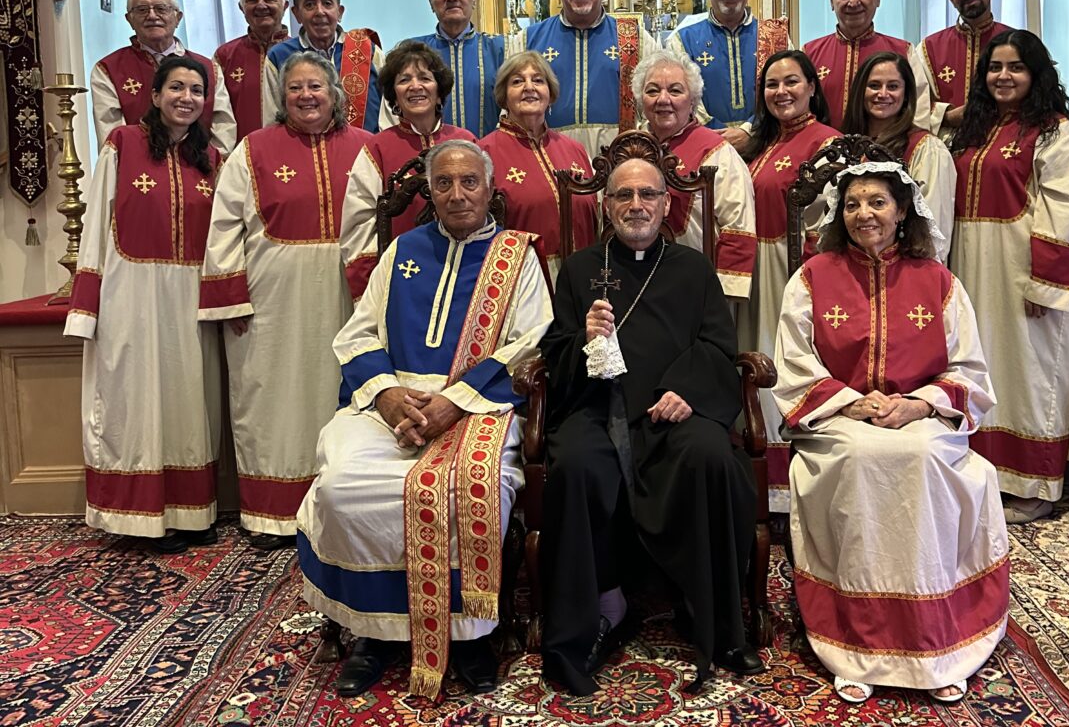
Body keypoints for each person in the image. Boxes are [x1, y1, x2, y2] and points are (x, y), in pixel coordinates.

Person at [297, 140, 552, 699]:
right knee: (342, 489)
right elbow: (358, 333)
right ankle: (373, 631)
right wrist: (389, 397)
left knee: (474, 487)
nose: (457, 194)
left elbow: (530, 344)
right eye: (444, 183)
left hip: (479, 406)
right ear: (429, 193)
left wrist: (454, 401)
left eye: (469, 182)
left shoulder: (517, 257)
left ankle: (469, 635)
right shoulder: (403, 250)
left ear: (490, 189)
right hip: (391, 402)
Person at [774, 152, 1007, 706]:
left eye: (877, 202)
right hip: (838, 422)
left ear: (902, 210)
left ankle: (939, 645)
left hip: (922, 420)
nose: (864, 214)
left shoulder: (939, 281)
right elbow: (795, 364)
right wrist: (851, 404)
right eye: (852, 204)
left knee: (922, 456)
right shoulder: (811, 279)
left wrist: (919, 405)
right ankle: (857, 645)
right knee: (861, 458)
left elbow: (969, 370)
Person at [540, 157, 763, 695]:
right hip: (599, 406)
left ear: (666, 204)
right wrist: (586, 340)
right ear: (606, 206)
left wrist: (688, 391)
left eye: (647, 195)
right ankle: (601, 609)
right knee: (576, 463)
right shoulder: (579, 270)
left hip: (674, 410)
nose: (636, 205)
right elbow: (554, 355)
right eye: (624, 195)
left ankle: (712, 614)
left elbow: (718, 345)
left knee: (710, 455)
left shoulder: (693, 268)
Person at [199, 52, 372, 549]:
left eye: (315, 86)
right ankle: (271, 515)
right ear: (282, 96)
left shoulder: (365, 147)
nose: (306, 96)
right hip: (270, 300)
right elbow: (224, 225)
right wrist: (229, 295)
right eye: (295, 88)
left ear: (334, 92)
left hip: (344, 294)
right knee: (268, 400)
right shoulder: (253, 149)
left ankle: (338, 510)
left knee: (341, 396)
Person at [66, 55, 224, 554]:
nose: (186, 98)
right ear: (154, 96)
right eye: (176, 87)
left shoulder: (212, 159)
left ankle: (191, 512)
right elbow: (96, 224)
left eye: (196, 90)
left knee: (189, 404)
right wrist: (86, 306)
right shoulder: (122, 144)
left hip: (190, 299)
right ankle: (139, 516)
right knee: (136, 403)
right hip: (129, 294)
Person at [950, 30, 1069, 523]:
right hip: (973, 265)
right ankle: (987, 474)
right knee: (984, 369)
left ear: (1037, 73)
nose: (1003, 77)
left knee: (1030, 373)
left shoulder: (1056, 133)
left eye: (1015, 67)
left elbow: (1065, 210)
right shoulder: (977, 129)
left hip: (1022, 270)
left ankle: (1035, 484)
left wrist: (1046, 282)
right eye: (995, 68)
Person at [740, 49, 841, 510]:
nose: (781, 92)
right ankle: (758, 479)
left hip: (793, 272)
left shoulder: (828, 144)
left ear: (812, 87)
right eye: (771, 84)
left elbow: (832, 223)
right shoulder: (763, 144)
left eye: (791, 82)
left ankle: (787, 491)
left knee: (785, 366)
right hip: (757, 270)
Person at [341, 40, 476, 299]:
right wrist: (371, 289)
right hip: (402, 279)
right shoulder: (377, 149)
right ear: (394, 95)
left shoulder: (466, 142)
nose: (415, 86)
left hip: (466, 274)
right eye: (404, 80)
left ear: (439, 91)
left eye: (425, 78)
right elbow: (359, 225)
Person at [506, 0, 658, 157]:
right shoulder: (527, 41)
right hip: (547, 158)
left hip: (619, 159)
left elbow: (655, 106)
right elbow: (510, 110)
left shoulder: (636, 38)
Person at [633, 48, 756, 301]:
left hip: (697, 289)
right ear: (640, 100)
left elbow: (738, 226)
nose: (663, 99)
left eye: (675, 90)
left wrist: (720, 295)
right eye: (652, 91)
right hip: (635, 282)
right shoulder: (630, 149)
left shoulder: (718, 152)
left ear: (693, 101)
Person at [478, 50, 597, 286]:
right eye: (517, 81)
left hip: (584, 276)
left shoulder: (575, 149)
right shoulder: (484, 152)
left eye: (538, 80)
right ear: (503, 96)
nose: (529, 87)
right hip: (524, 282)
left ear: (550, 94)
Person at [668, 0, 791, 151]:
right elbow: (679, 99)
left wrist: (749, 131)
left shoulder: (775, 37)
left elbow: (790, 93)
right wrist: (718, 138)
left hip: (768, 146)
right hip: (705, 150)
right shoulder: (682, 40)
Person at [90, 0, 235, 154]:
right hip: (139, 167)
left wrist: (212, 162)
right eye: (142, 10)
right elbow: (112, 136)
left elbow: (223, 126)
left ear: (178, 18)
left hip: (200, 165)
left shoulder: (209, 68)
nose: (152, 16)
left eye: (161, 8)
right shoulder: (109, 69)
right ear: (129, 20)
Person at [841, 51, 955, 257]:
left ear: (906, 95)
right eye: (874, 85)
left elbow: (933, 230)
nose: (883, 94)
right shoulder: (845, 146)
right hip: (850, 265)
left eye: (893, 86)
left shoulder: (926, 149)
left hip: (905, 267)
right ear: (860, 91)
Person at [264, 0, 390, 133]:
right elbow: (273, 121)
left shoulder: (368, 51)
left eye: (327, 3)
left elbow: (389, 113)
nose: (320, 11)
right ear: (297, 14)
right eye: (309, 5)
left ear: (340, 12)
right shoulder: (279, 57)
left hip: (366, 146)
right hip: (302, 147)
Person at [910, 0, 1012, 132]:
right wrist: (946, 116)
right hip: (946, 144)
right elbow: (913, 104)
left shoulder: (1018, 44)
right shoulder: (928, 48)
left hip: (1008, 141)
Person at [804, 0, 911, 125]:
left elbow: (917, 114)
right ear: (831, 0)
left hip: (888, 142)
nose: (853, 2)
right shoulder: (809, 54)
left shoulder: (904, 52)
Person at [410, 0, 504, 137]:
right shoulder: (413, 52)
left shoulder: (499, 49)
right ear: (431, 3)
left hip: (487, 150)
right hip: (428, 152)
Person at [214, 0, 291, 141]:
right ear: (241, 7)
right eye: (252, 0)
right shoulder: (224, 56)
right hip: (241, 151)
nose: (261, 5)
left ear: (284, 5)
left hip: (292, 148)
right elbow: (218, 116)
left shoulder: (302, 53)